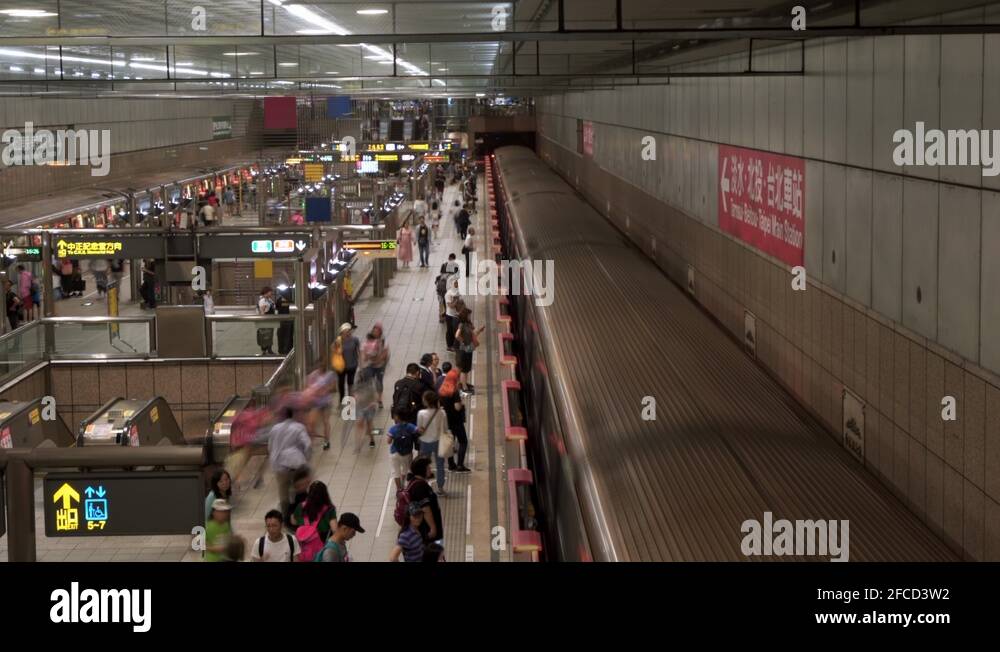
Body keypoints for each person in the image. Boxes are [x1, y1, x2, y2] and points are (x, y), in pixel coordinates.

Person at [267, 404, 311, 520]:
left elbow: (270, 446)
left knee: (283, 492)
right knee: (299, 491)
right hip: (296, 465)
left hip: (279, 466)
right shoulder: (298, 427)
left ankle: (286, 517)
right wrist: (306, 458)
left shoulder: (274, 428)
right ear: (293, 415)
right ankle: (299, 515)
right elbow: (307, 444)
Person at [291, 480, 336, 559]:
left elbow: (293, 522)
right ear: (325, 495)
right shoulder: (329, 509)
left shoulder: (301, 506)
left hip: (302, 550)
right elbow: (335, 529)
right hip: (321, 551)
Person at [440, 368, 471, 473]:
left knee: (449, 442)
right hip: (456, 421)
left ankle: (451, 464)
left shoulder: (442, 390)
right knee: (463, 442)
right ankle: (460, 465)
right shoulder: (454, 391)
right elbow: (457, 407)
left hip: (446, 421)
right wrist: (462, 403)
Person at [416, 391, 446, 496]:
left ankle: (423, 487)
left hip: (425, 442)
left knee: (423, 465)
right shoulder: (442, 412)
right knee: (440, 465)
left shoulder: (421, 414)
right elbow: (445, 429)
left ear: (427, 401)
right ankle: (441, 488)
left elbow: (419, 429)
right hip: (438, 441)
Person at [406, 458, 443, 544]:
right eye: (428, 468)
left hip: (422, 529)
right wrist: (433, 528)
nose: (430, 469)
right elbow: (425, 509)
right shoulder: (420, 487)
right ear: (422, 470)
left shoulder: (414, 482)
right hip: (426, 530)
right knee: (433, 553)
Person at [358, 321, 389, 409]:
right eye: (374, 331)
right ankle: (370, 399)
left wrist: (377, 359)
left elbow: (385, 354)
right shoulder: (367, 341)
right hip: (369, 366)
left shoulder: (383, 342)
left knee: (379, 382)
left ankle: (379, 399)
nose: (375, 332)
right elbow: (363, 354)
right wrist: (363, 363)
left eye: (377, 331)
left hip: (380, 366)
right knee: (368, 382)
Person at [455, 307, 485, 394]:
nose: (470, 316)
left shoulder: (468, 324)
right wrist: (463, 341)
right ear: (465, 316)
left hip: (469, 349)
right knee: (464, 369)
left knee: (467, 369)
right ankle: (464, 388)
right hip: (464, 350)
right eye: (468, 315)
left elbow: (473, 335)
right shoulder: (462, 325)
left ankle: (464, 384)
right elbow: (457, 335)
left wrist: (480, 330)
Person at [304, 369, 335, 450]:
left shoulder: (330, 374)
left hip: (326, 402)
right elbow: (308, 386)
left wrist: (326, 390)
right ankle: (311, 441)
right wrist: (314, 391)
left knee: (326, 421)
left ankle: (327, 441)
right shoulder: (313, 375)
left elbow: (333, 386)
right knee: (311, 422)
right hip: (316, 402)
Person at [387, 413, 418, 491]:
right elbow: (418, 431)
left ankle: (399, 489)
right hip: (407, 453)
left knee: (396, 472)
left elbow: (388, 441)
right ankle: (403, 485)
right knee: (405, 470)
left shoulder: (393, 428)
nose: (393, 418)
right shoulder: (410, 426)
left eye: (394, 417)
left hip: (395, 452)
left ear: (398, 418)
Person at [331, 322, 360, 402]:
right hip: (341, 366)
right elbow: (332, 349)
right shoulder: (338, 340)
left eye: (348, 331)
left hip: (352, 365)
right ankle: (342, 398)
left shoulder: (355, 340)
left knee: (350, 382)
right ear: (342, 332)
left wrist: (360, 362)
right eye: (345, 331)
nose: (347, 332)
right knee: (341, 383)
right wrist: (337, 347)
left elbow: (358, 351)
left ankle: (350, 397)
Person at [352, 372, 379, 452]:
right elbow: (376, 396)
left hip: (361, 407)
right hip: (369, 407)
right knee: (369, 424)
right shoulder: (371, 385)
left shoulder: (357, 386)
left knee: (359, 426)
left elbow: (355, 397)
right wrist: (374, 403)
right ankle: (372, 440)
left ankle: (358, 445)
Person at [444, 276, 463, 351]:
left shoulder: (458, 291)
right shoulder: (448, 294)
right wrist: (456, 300)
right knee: (450, 331)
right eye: (455, 283)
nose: (457, 284)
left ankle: (456, 345)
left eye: (457, 283)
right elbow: (450, 306)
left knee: (456, 330)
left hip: (457, 315)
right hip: (450, 315)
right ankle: (449, 345)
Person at [256, 287, 276, 355]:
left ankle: (269, 349)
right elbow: (262, 312)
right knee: (265, 335)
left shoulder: (269, 299)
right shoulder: (262, 300)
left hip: (270, 320)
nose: (271, 293)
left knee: (270, 335)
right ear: (266, 292)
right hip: (266, 320)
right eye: (270, 292)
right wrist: (263, 321)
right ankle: (264, 351)